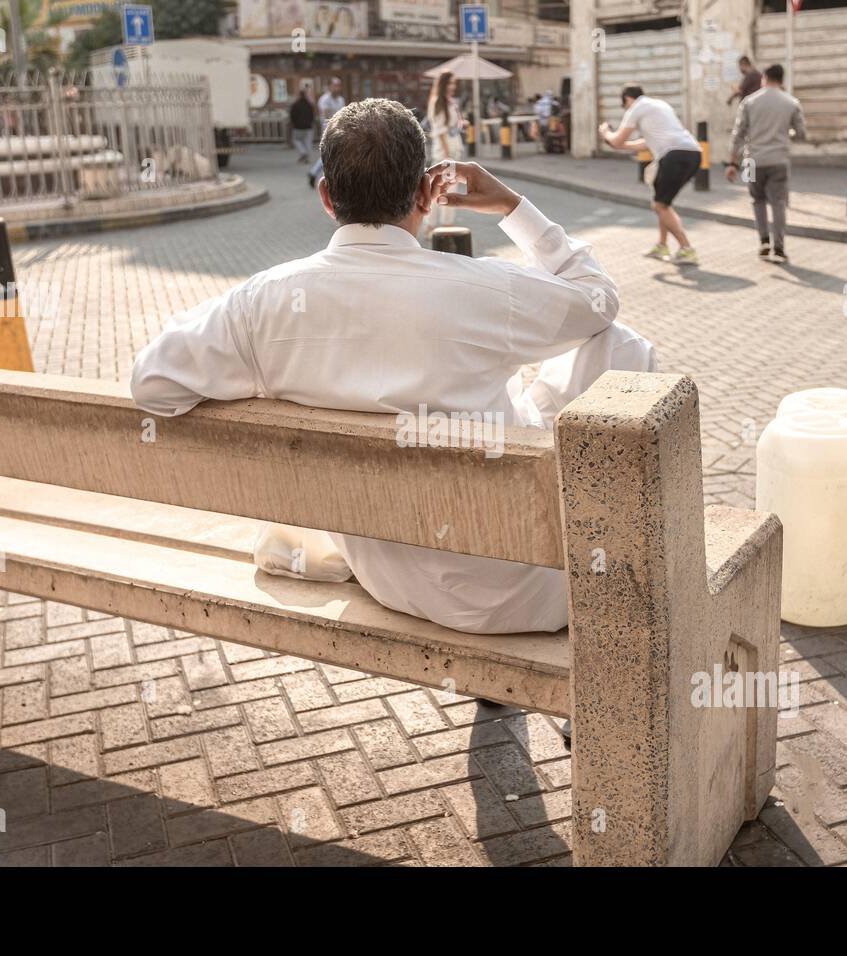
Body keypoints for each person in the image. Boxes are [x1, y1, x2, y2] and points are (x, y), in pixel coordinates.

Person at [130, 98, 656, 635]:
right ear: (428, 193)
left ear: (327, 197)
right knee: (621, 344)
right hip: (526, 586)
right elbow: (598, 301)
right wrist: (511, 206)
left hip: (392, 582)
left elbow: (152, 383)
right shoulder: (482, 288)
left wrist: (275, 381)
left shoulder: (264, 301)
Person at [599, 83, 702, 264]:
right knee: (663, 203)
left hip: (674, 156)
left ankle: (687, 248)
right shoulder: (659, 105)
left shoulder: (636, 108)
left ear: (628, 99)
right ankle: (662, 245)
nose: (625, 109)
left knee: (659, 206)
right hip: (692, 153)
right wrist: (616, 142)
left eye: (624, 106)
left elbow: (617, 140)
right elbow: (643, 144)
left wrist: (606, 133)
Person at [725, 64, 806, 262]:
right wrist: (786, 134)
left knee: (756, 200)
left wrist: (732, 164)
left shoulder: (749, 102)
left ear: (764, 77)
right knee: (778, 203)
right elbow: (801, 134)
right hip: (779, 160)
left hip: (751, 161)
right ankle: (779, 247)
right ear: (782, 79)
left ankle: (763, 241)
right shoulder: (791, 102)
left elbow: (738, 135)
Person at [425, 70, 464, 237]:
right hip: (444, 154)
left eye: (454, 84)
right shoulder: (437, 102)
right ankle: (431, 227)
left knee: (450, 189)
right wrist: (447, 156)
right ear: (442, 85)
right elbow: (439, 131)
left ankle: (446, 226)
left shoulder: (450, 102)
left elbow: (450, 127)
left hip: (453, 150)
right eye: (449, 83)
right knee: (439, 190)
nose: (452, 87)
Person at [308, 77, 346, 188]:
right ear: (330, 86)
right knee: (330, 155)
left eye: (339, 85)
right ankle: (326, 178)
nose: (337, 88)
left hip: (339, 130)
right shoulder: (324, 99)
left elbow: (343, 114)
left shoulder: (341, 100)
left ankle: (314, 174)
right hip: (328, 131)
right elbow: (327, 114)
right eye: (335, 85)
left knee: (331, 156)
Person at [289, 82, 316, 164]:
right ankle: (307, 157)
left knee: (296, 140)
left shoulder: (295, 105)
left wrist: (293, 123)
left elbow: (292, 115)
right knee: (308, 142)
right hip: (308, 126)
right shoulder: (309, 105)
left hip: (298, 126)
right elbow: (312, 115)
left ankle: (302, 152)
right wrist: (311, 122)